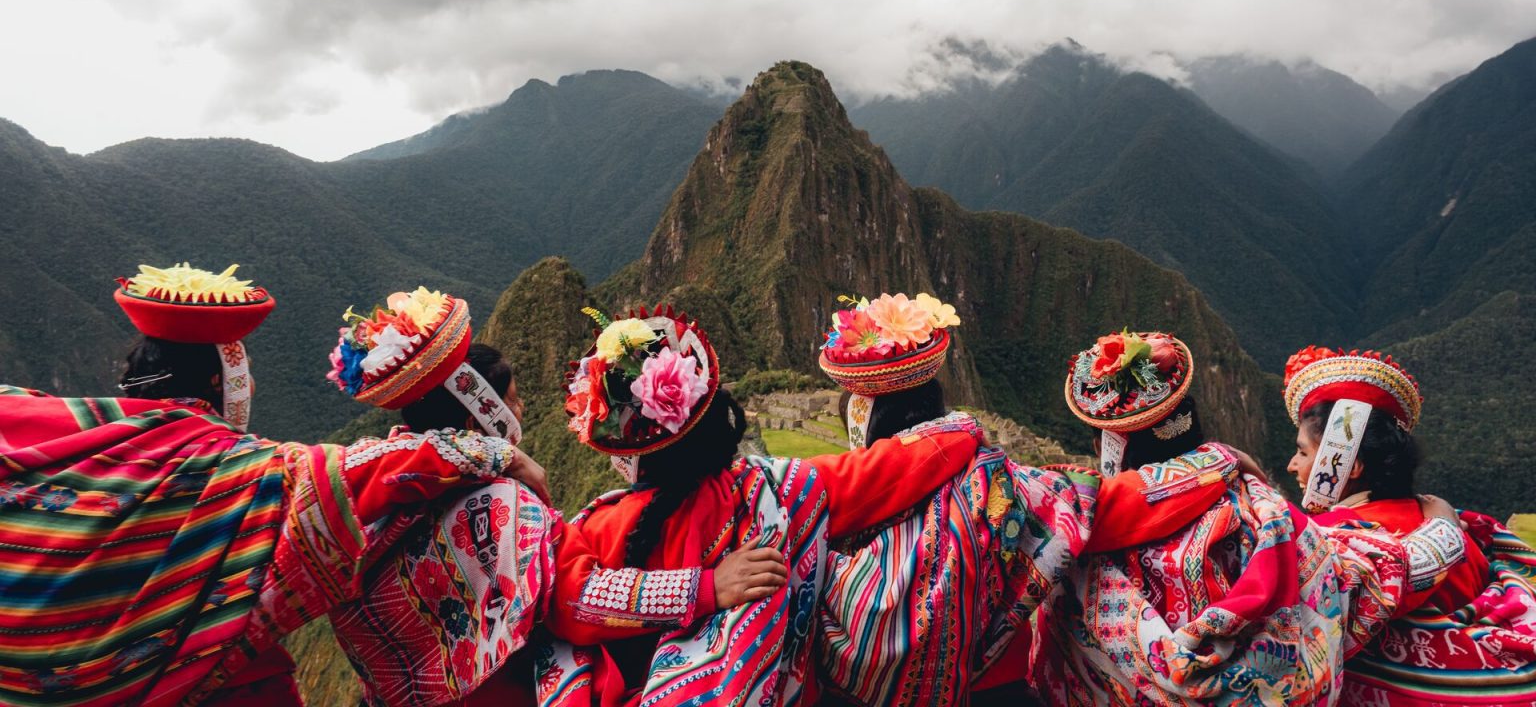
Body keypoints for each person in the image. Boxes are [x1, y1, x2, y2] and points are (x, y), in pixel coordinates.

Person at [0, 266, 537, 707]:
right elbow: (348, 477)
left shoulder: (69, 427)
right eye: (246, 374)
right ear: (224, 381)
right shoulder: (232, 470)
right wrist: (501, 453)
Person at [324, 293, 785, 707]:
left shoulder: (368, 493)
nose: (521, 412)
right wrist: (707, 587)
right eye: (514, 401)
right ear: (485, 413)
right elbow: (580, 602)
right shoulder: (500, 507)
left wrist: (495, 453)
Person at [534, 305, 989, 706]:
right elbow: (895, 467)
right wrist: (966, 425)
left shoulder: (597, 529)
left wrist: (700, 589)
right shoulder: (781, 490)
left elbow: (570, 605)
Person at [811, 294, 1255, 707]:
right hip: (992, 690)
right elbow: (1115, 505)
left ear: (859, 419)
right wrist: (1214, 461)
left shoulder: (807, 495)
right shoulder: (1002, 487)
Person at [1028, 329, 1469, 705]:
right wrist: (1444, 517)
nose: (1295, 465)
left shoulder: (1067, 542)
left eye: (1301, 451)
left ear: (1109, 446)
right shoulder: (1276, 520)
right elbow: (1386, 573)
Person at [1284, 346, 1536, 706]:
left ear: (1347, 466)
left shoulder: (1331, 544)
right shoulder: (1454, 526)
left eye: (1304, 452)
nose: (1293, 465)